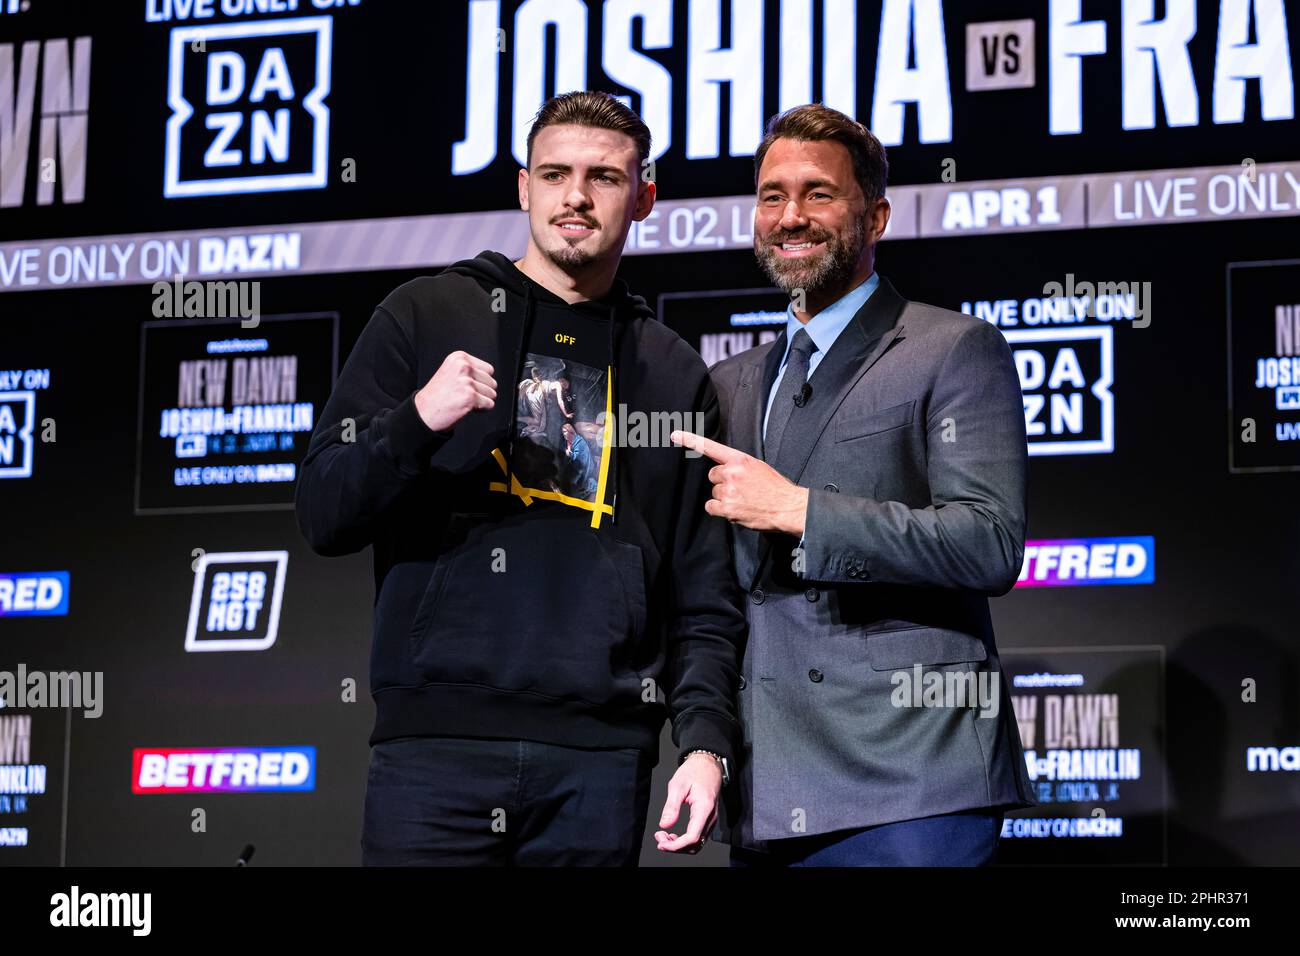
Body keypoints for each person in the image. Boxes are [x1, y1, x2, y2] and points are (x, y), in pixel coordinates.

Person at [296, 91, 744, 866]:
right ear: (521, 187)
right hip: (436, 750)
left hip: (598, 763)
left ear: (645, 197)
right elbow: (325, 512)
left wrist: (704, 742)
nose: (575, 196)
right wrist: (414, 421)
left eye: (604, 177)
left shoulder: (674, 373)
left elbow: (702, 596)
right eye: (555, 173)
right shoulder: (424, 315)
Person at [671, 104, 1037, 866]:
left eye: (818, 194)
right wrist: (708, 749)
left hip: (911, 783)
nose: (790, 217)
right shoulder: (732, 384)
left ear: (875, 217)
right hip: (768, 792)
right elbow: (715, 604)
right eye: (771, 196)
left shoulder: (952, 349)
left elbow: (990, 541)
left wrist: (803, 511)